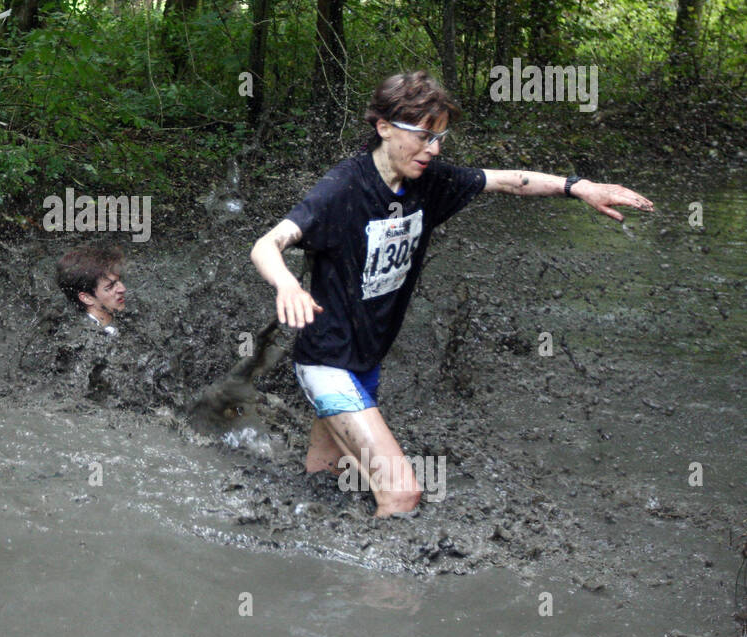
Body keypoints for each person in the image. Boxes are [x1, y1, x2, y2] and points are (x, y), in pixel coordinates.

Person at [249, 71, 654, 517]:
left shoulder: (430, 182)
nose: (434, 149)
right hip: (326, 361)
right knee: (401, 495)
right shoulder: (343, 188)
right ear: (384, 127)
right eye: (424, 136)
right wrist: (287, 283)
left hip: (365, 360)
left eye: (440, 137)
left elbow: (504, 180)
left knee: (326, 482)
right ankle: (383, 587)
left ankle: (307, 570)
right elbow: (266, 244)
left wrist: (577, 187)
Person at [56, 245, 127, 335]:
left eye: (119, 280)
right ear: (86, 298)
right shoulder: (80, 340)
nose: (123, 289)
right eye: (110, 287)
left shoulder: (130, 317)